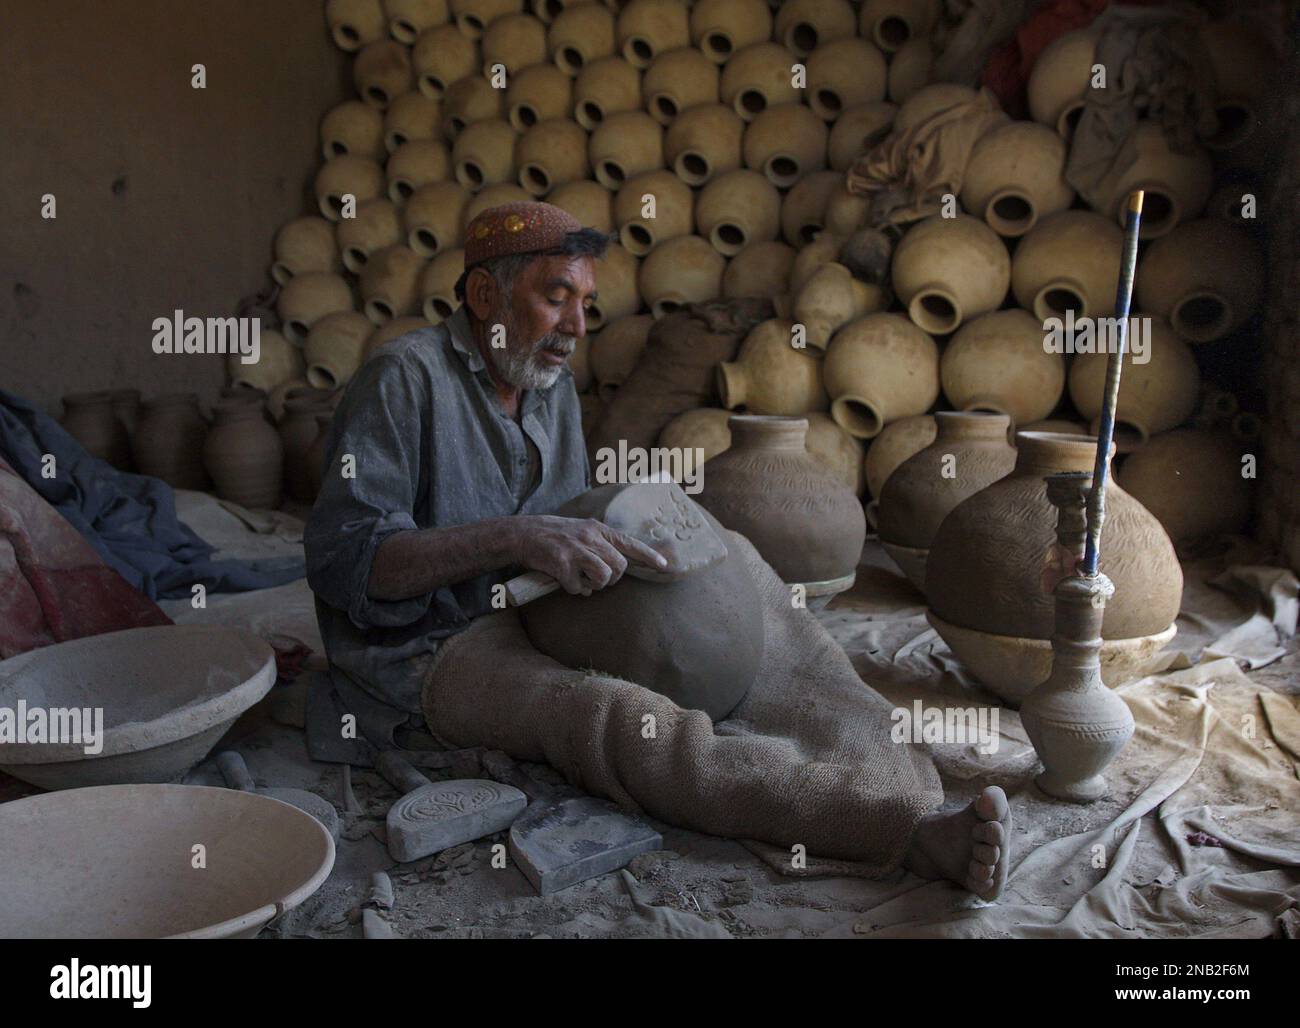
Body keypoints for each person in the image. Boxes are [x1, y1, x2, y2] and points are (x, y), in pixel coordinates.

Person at [304, 201, 1011, 899]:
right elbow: (348, 562)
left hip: (531, 598)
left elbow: (572, 516)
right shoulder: (403, 379)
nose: (577, 327)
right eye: (557, 299)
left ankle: (891, 771)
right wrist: (516, 537)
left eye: (585, 303)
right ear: (485, 294)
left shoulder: (544, 380)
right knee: (607, 713)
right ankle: (895, 831)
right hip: (434, 643)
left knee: (737, 563)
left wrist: (647, 528)